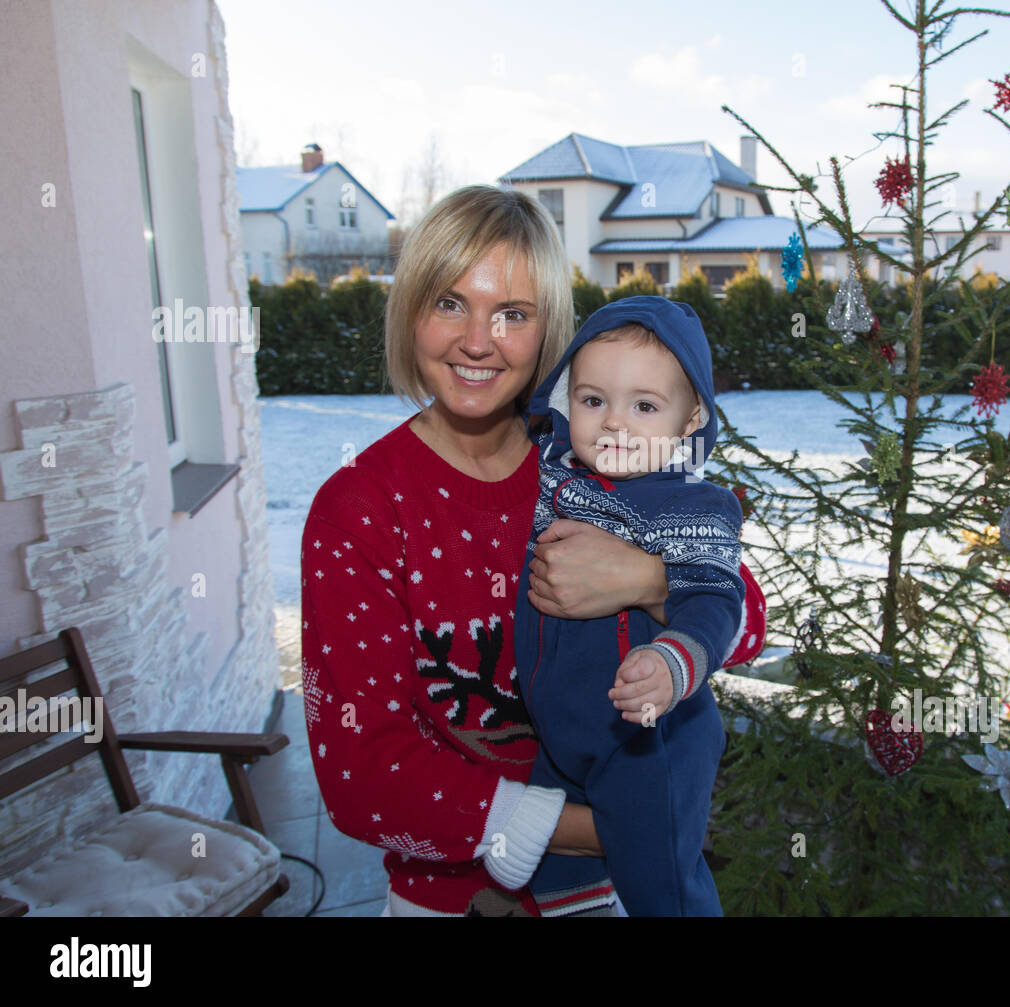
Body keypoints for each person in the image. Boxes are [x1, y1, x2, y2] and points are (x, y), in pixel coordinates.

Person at [300, 185, 766, 916]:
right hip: (448, 897)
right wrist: (615, 828)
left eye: (513, 313)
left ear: (551, 332)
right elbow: (362, 775)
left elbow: (747, 624)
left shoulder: (594, 461)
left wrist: (645, 579)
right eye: (450, 302)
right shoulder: (358, 510)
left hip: (610, 896)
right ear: (409, 310)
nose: (478, 340)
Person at [512, 296, 747, 917]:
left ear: (691, 418)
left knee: (661, 879)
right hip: (560, 728)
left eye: (644, 406)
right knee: (559, 879)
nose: (614, 424)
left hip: (652, 737)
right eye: (593, 401)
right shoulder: (551, 475)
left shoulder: (692, 508)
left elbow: (718, 601)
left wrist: (675, 662)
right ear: (567, 401)